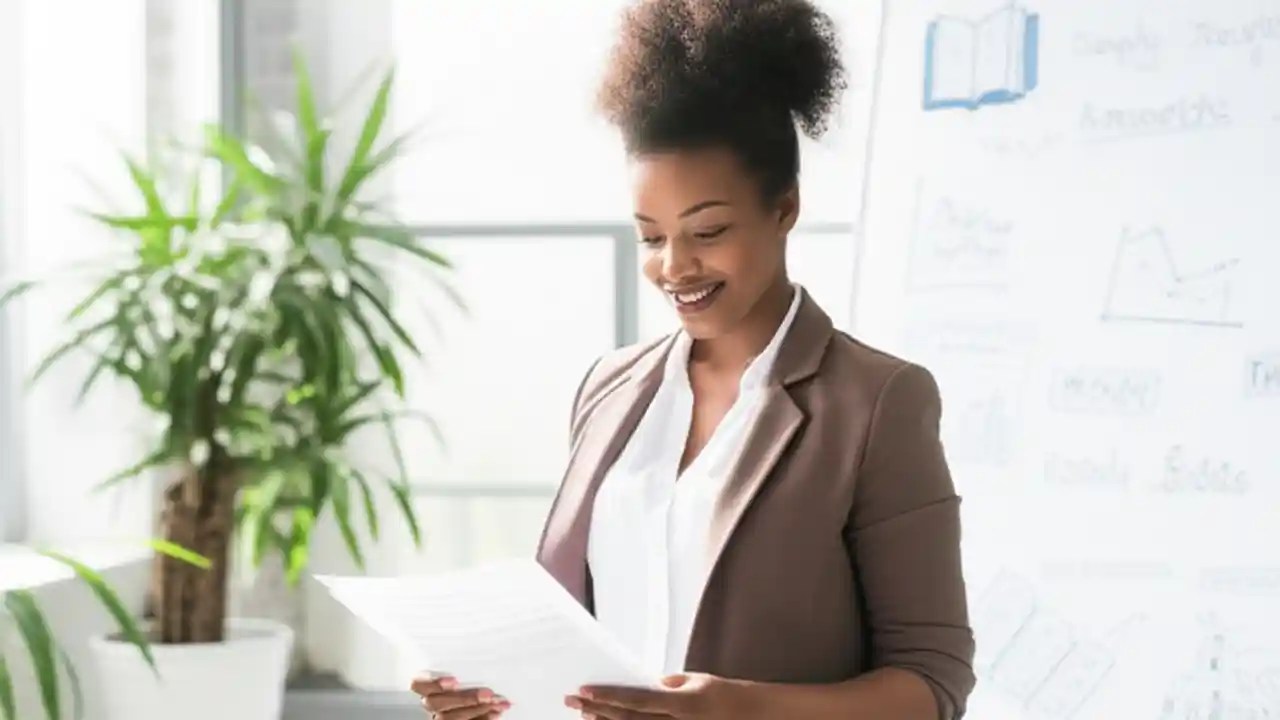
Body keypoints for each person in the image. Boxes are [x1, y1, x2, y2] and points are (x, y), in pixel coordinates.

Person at [412, 0, 976, 717]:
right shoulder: (610, 388)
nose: (676, 266)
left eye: (707, 230)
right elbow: (571, 633)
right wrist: (491, 691)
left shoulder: (878, 401)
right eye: (651, 237)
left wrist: (744, 710)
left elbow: (932, 683)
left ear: (785, 208)